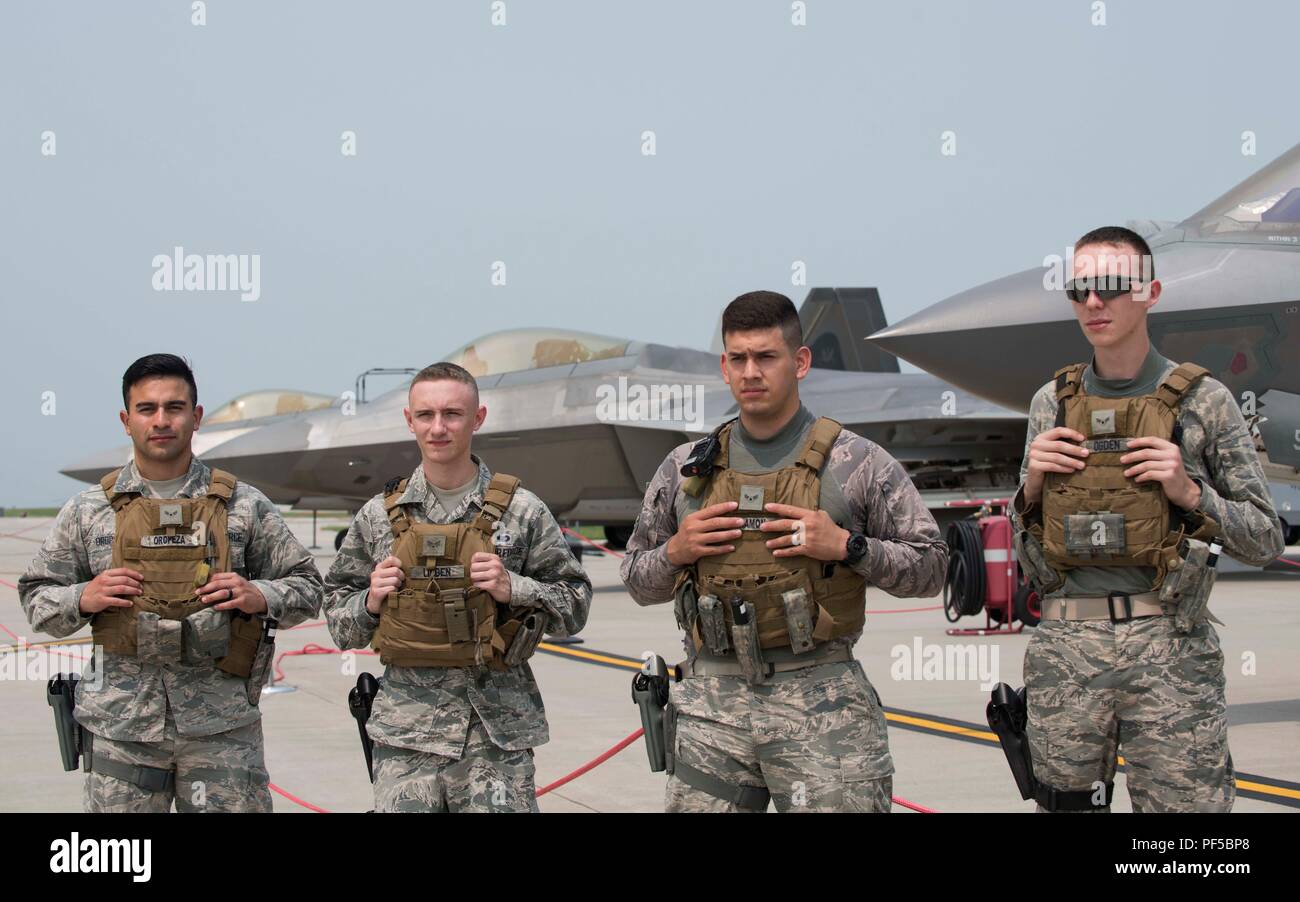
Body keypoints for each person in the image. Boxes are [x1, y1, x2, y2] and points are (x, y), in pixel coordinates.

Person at [621, 290, 948, 812]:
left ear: (800, 362)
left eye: (766, 357)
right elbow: (637, 580)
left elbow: (931, 569)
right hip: (712, 710)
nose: (751, 372)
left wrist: (848, 547)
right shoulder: (685, 469)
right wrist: (676, 552)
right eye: (738, 358)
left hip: (822, 703)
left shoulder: (856, 462)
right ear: (724, 367)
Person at [1011, 226, 1285, 812]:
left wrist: (1191, 492)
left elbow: (1265, 538)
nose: (1094, 301)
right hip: (1066, 651)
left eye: (1113, 285)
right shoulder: (1050, 403)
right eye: (1079, 288)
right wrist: (1031, 486)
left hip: (1169, 650)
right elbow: (1025, 547)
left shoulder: (1204, 401)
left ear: (1151, 293)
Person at [19, 353, 322, 812]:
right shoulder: (87, 511)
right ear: (127, 421)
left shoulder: (243, 505)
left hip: (221, 730)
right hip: (122, 732)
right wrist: (83, 596)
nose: (161, 420)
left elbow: (309, 587)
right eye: (147, 409)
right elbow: (37, 599)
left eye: (174, 407)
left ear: (195, 417)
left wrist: (258, 594)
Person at [322, 362, 591, 812]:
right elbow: (337, 621)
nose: (438, 428)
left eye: (452, 414)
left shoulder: (522, 511)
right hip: (405, 738)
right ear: (409, 421)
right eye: (425, 415)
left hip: (495, 737)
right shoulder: (377, 516)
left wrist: (515, 588)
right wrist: (369, 601)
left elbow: (575, 607)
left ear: (477, 418)